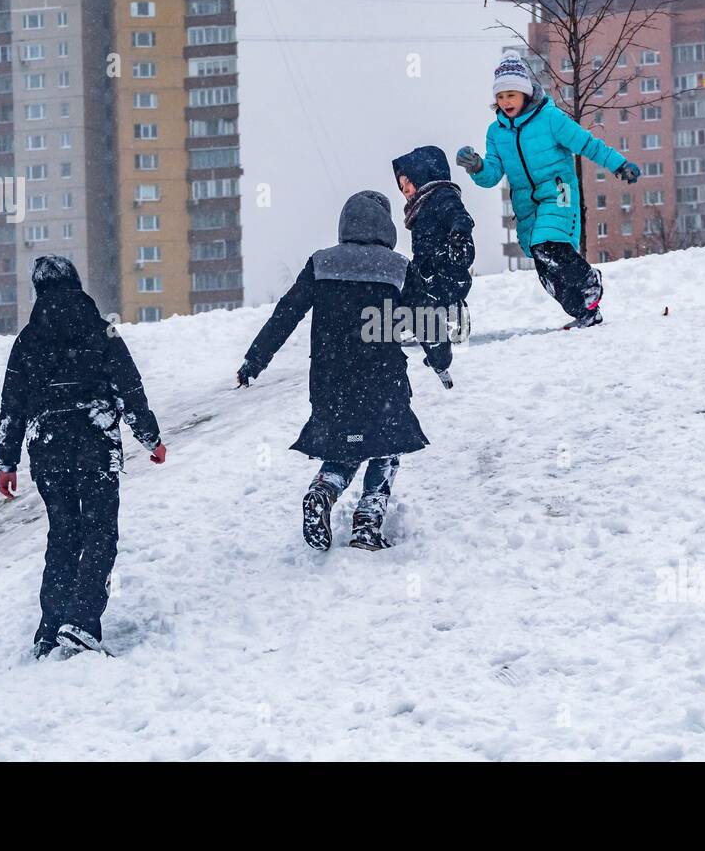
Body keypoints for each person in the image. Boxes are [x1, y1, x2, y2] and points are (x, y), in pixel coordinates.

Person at [235, 190, 448, 552]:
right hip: (382, 379)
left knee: (346, 442)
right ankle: (367, 520)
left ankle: (323, 490)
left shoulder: (321, 264)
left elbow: (286, 314)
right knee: (386, 446)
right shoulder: (396, 267)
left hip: (330, 381)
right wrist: (441, 361)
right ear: (386, 226)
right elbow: (426, 321)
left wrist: (254, 361)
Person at [0, 255, 166, 659]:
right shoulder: (99, 330)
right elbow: (129, 387)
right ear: (75, 282)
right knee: (100, 534)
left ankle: (50, 629)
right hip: (96, 444)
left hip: (48, 450)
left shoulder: (27, 340)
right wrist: (150, 437)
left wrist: (7, 461)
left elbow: (12, 404)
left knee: (63, 537)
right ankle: (83, 622)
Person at [456, 52, 640, 328]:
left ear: (525, 94)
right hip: (527, 206)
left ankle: (590, 279)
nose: (506, 101)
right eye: (501, 96)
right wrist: (477, 166)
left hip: (560, 191)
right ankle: (586, 312)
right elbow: (492, 176)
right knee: (546, 271)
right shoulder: (496, 133)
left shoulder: (550, 118)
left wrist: (618, 164)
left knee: (548, 244)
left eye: (512, 95)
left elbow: (587, 144)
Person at [391, 145, 476, 348]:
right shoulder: (418, 207)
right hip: (424, 261)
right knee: (412, 292)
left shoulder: (442, 195)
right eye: (401, 186)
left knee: (444, 292)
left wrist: (458, 236)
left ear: (423, 175)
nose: (405, 190)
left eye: (408, 182)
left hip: (446, 257)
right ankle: (409, 323)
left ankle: (455, 318)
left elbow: (460, 216)